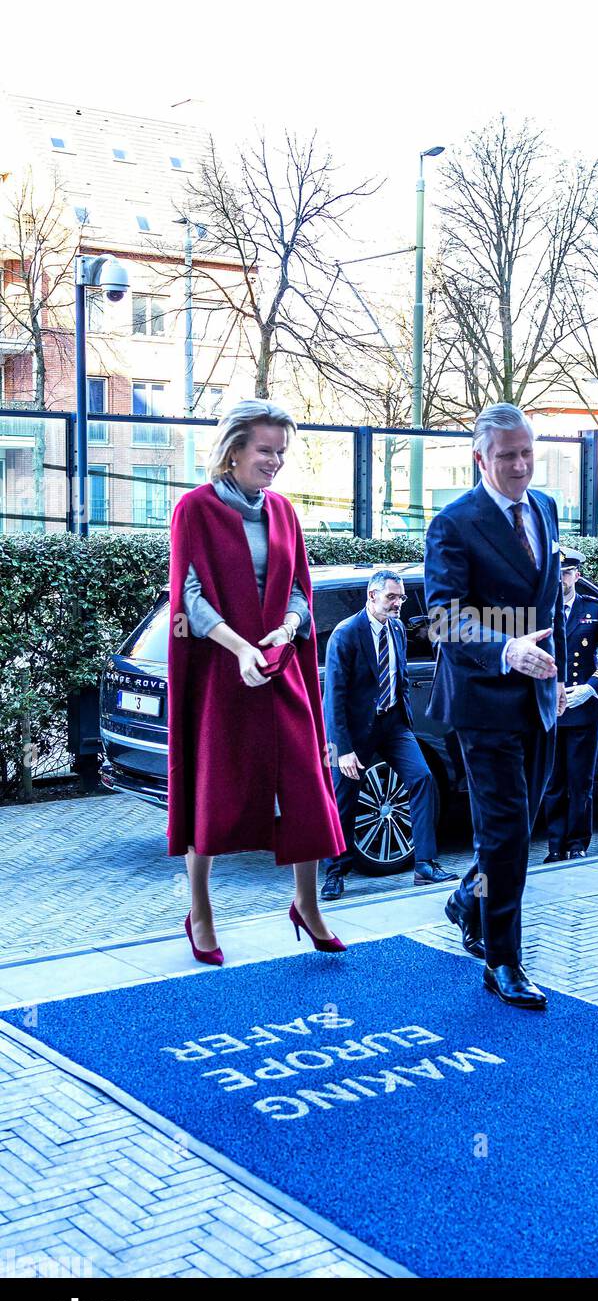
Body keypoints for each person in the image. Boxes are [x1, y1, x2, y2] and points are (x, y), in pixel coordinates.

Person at [167, 399, 346, 964]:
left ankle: (308, 905)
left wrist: (289, 628)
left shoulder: (285, 512)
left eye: (282, 453)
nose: (276, 462)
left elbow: (298, 588)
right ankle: (201, 911)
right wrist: (241, 646)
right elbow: (188, 599)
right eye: (266, 450)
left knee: (307, 788)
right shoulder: (194, 510)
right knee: (212, 792)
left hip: (280, 665)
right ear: (233, 450)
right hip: (223, 671)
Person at [424, 403, 566, 1009]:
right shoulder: (453, 524)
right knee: (506, 834)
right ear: (479, 457)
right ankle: (502, 963)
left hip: (539, 697)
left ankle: (464, 899)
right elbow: (442, 616)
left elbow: (549, 604)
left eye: (528, 451)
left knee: (515, 832)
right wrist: (505, 649)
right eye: (507, 455)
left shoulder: (546, 509)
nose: (521, 464)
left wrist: (555, 673)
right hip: (482, 703)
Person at [320, 570, 458, 898]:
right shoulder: (346, 634)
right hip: (355, 733)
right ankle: (336, 872)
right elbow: (334, 697)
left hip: (393, 725)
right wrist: (342, 749)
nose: (398, 604)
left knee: (423, 779)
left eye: (401, 597)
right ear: (372, 596)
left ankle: (425, 865)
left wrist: (404, 721)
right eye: (391, 598)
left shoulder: (397, 628)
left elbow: (400, 676)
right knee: (345, 799)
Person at [543, 550, 598, 862]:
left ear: (577, 576)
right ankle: (554, 846)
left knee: (580, 783)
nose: (562, 579)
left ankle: (577, 845)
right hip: (552, 708)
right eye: (557, 573)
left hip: (583, 708)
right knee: (553, 783)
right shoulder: (541, 612)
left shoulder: (594, 608)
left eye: (567, 573)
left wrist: (592, 688)